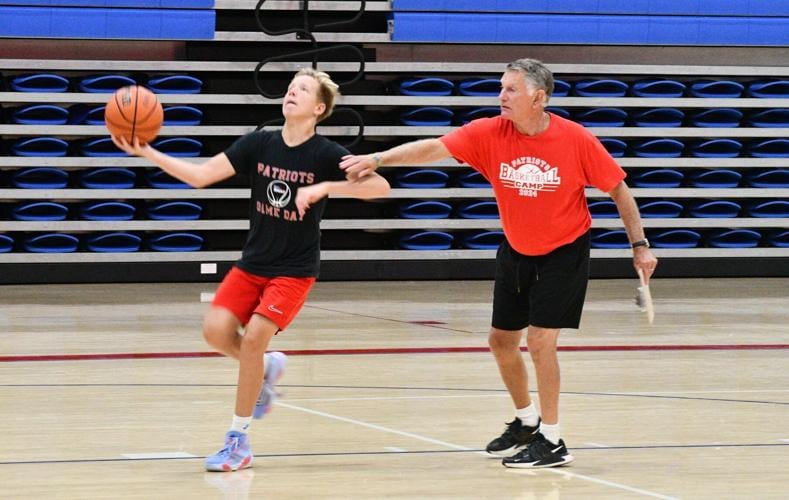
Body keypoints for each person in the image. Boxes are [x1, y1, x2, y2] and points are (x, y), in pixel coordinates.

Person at [340, 58, 658, 469]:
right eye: (502, 87)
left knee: (541, 341)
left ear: (538, 97)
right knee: (501, 341)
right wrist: (380, 159)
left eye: (511, 90)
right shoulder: (491, 132)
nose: (501, 96)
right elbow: (435, 146)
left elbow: (619, 190)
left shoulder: (575, 140)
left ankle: (553, 439)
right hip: (516, 249)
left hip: (564, 251)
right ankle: (527, 421)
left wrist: (640, 245)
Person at [113, 68, 390, 472]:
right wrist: (148, 152)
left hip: (294, 269)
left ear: (318, 108)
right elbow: (202, 176)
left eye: (303, 90)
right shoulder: (259, 144)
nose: (292, 93)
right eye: (291, 87)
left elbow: (380, 188)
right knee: (215, 332)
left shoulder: (328, 155)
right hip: (253, 262)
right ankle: (267, 370)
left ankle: (238, 441)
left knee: (256, 336)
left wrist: (327, 187)